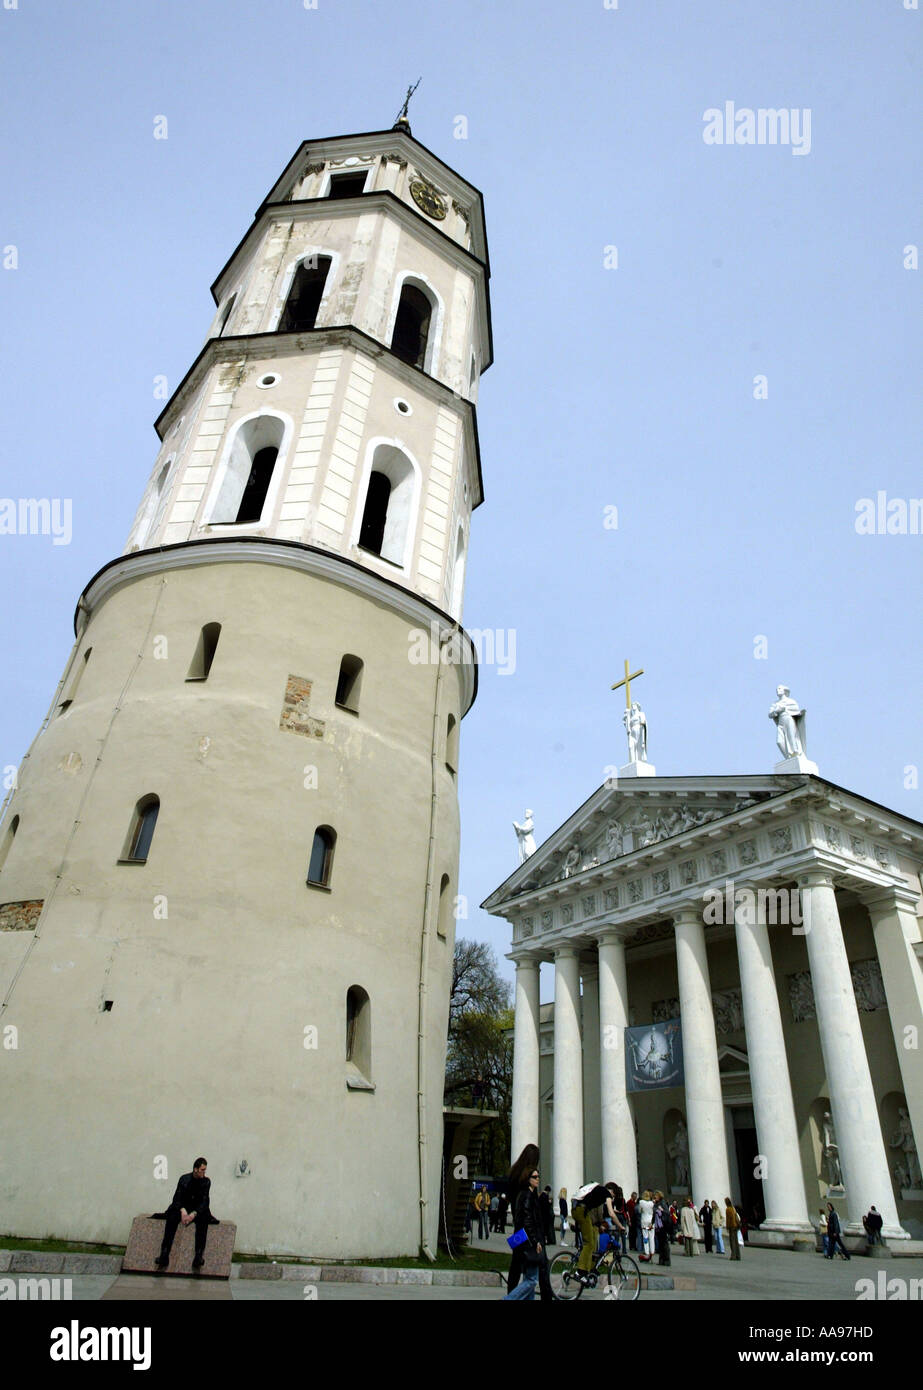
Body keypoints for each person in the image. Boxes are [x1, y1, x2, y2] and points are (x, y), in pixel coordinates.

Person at [504, 1145, 552, 1300]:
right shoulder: (528, 1181)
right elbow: (530, 1208)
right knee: (541, 1264)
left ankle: (511, 1292)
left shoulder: (514, 1174)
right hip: (530, 1227)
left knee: (516, 1265)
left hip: (518, 1228)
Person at [155, 1158, 216, 1270]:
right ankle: (164, 1253)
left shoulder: (206, 1181)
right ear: (195, 1169)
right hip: (183, 1208)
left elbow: (204, 1201)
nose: (204, 1172)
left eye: (205, 1170)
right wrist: (183, 1211)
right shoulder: (184, 1179)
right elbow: (177, 1198)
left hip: (197, 1211)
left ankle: (198, 1255)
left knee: (203, 1221)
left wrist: (193, 1214)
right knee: (172, 1218)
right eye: (202, 1170)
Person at [652, 1192, 670, 1266]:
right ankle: (661, 1260)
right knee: (661, 1244)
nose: (654, 1197)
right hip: (658, 1226)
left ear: (659, 1196)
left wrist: (661, 1210)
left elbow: (667, 1213)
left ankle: (666, 1260)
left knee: (664, 1244)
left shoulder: (662, 1203)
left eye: (655, 1196)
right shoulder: (657, 1203)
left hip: (662, 1226)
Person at [539, 1184, 556, 1248]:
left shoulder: (541, 1196)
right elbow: (546, 1207)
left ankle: (544, 1240)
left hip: (542, 1215)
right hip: (545, 1216)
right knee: (546, 1229)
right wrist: (549, 1203)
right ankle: (546, 1241)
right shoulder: (545, 1196)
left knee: (543, 1229)